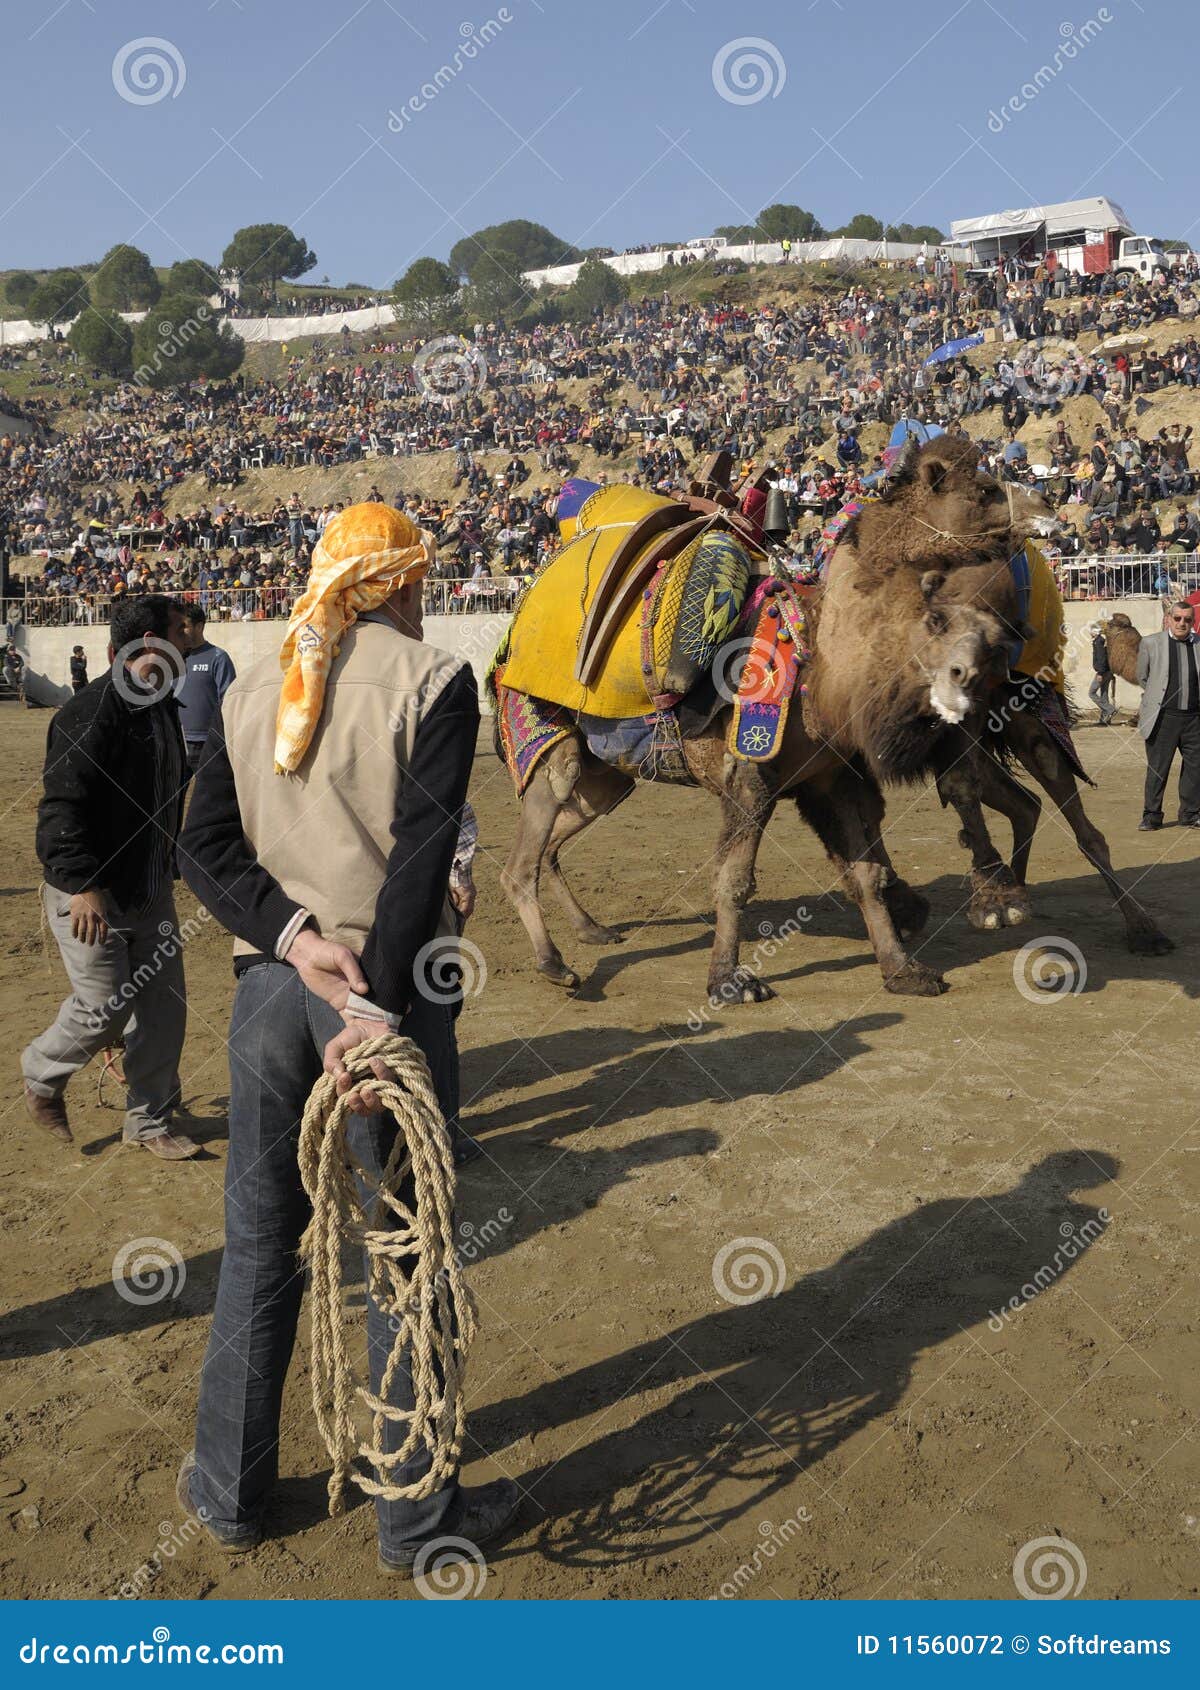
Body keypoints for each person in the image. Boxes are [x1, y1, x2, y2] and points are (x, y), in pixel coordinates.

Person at [176, 503, 517, 1568]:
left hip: (270, 992)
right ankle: (415, 1519)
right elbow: (420, 864)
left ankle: (230, 1489)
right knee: (404, 1249)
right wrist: (371, 1013)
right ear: (401, 586)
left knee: (260, 1242)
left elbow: (202, 849)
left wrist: (291, 934)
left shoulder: (248, 686)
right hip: (380, 1001)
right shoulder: (435, 683)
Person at [20, 595, 198, 1158]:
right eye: (181, 629)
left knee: (164, 1011)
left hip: (149, 890)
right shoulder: (90, 711)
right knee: (105, 1007)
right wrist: (81, 885)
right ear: (151, 644)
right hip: (90, 895)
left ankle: (148, 1121)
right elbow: (60, 809)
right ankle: (42, 1072)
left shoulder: (162, 706)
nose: (191, 637)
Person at [1136, 600, 1200, 830]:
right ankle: (1152, 816)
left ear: (1193, 622)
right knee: (1158, 768)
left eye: (1187, 619)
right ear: (1168, 619)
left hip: (1194, 718)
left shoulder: (1199, 644)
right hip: (1164, 718)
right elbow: (1142, 677)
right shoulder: (1151, 643)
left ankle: (1190, 814)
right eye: (1178, 618)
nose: (1182, 623)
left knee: (1196, 767)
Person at [176, 605, 237, 775]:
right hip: (177, 741)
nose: (181, 631)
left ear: (200, 626)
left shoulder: (218, 657)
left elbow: (229, 701)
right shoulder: (172, 658)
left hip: (208, 742)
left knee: (208, 797)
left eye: (185, 626)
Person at [1088, 623, 1116, 725]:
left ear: (1095, 631)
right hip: (1108, 671)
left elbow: (1102, 658)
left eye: (1091, 630)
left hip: (1103, 672)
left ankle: (1110, 709)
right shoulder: (1102, 641)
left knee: (1091, 693)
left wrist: (1100, 673)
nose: (1089, 632)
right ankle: (1105, 720)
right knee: (1104, 694)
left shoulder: (1099, 642)